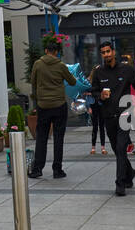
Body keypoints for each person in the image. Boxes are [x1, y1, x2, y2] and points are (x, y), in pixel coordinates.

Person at [91, 45, 135, 196]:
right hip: (108, 117)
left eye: (108, 52)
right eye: (103, 53)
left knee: (121, 148)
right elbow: (93, 91)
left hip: (125, 115)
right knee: (117, 149)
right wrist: (100, 95)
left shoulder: (127, 70)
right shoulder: (99, 72)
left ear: (114, 52)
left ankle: (120, 184)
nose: (106, 55)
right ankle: (130, 173)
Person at [27, 33, 77, 179]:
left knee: (41, 137)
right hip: (59, 105)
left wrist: (38, 98)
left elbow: (33, 82)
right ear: (56, 52)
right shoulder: (60, 65)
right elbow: (72, 82)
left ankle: (37, 169)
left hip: (43, 105)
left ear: (46, 51)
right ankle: (57, 170)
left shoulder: (37, 64)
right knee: (58, 138)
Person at [89, 43, 115, 155]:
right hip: (95, 105)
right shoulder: (92, 79)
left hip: (102, 105)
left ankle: (103, 147)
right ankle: (94, 147)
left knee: (101, 126)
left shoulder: (103, 76)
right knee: (95, 127)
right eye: (103, 52)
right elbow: (90, 93)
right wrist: (88, 107)